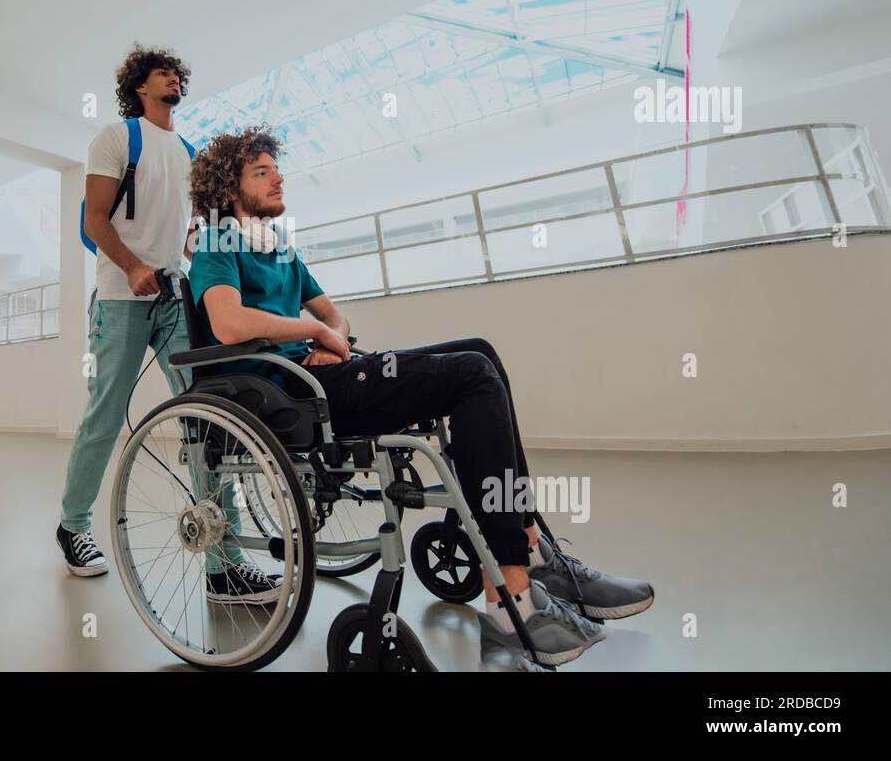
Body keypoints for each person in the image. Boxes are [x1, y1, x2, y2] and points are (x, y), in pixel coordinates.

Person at [186, 125, 655, 664]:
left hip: (324, 374)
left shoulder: (279, 248)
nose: (278, 177)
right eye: (261, 171)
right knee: (472, 374)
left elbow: (332, 312)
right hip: (284, 393)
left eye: (276, 167)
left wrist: (331, 335)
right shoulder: (217, 240)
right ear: (229, 188)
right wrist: (314, 334)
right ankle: (510, 595)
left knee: (480, 352)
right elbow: (226, 322)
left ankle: (527, 541)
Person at [56, 45, 268, 603]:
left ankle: (226, 564)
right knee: (105, 414)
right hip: (122, 297)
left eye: (176, 72)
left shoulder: (188, 150)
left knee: (208, 416)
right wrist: (132, 267)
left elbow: (190, 227)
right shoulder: (117, 138)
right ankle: (73, 526)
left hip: (176, 298)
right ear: (140, 87)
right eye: (161, 72)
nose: (173, 77)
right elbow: (94, 219)